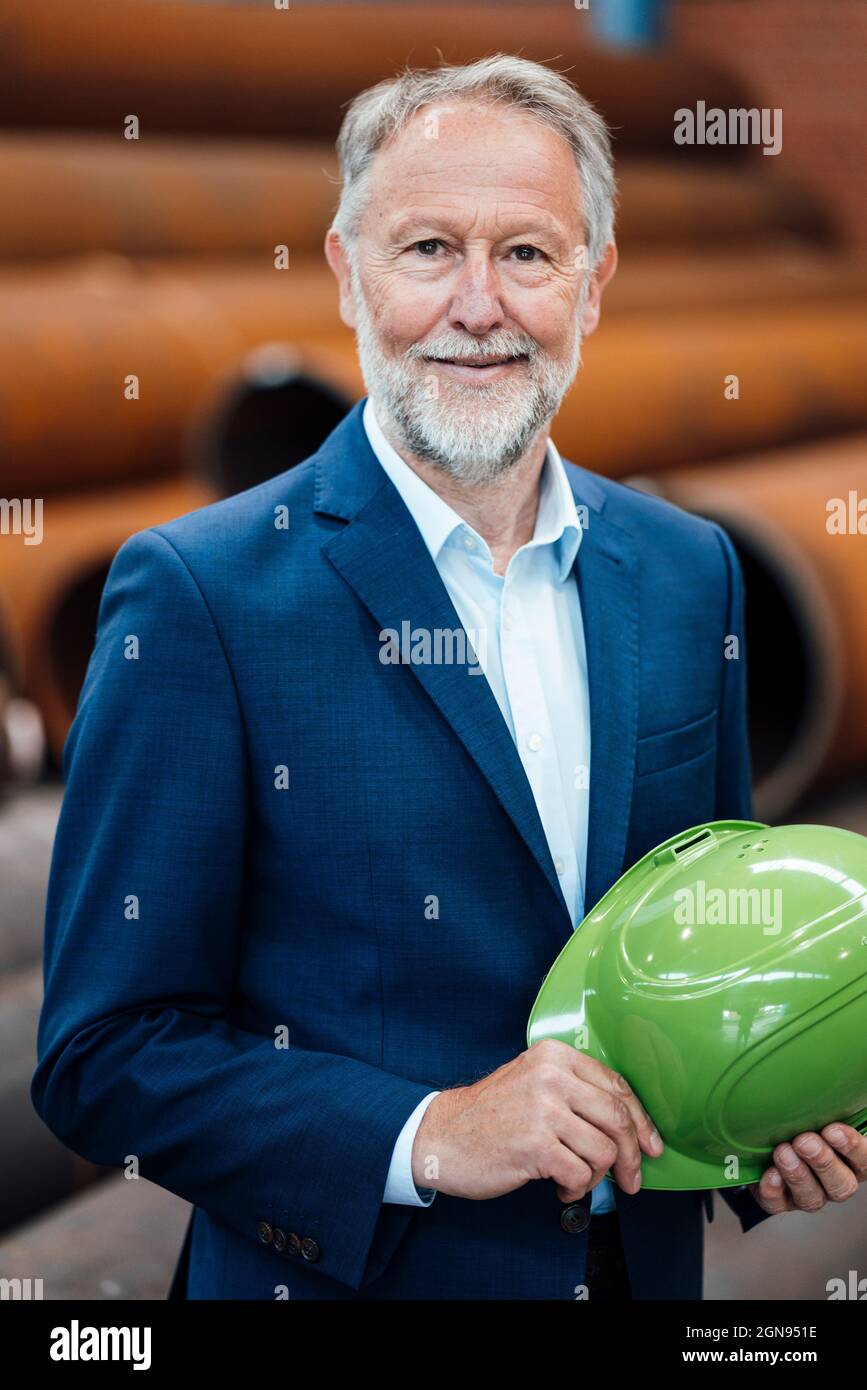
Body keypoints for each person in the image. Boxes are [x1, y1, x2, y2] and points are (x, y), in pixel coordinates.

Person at [33, 54, 866, 1301]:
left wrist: (757, 1135)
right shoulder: (203, 596)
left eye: (528, 254)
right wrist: (431, 1132)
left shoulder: (691, 572)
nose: (479, 305)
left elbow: (701, 932)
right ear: (346, 270)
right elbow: (104, 1055)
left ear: (595, 284)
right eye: (428, 249)